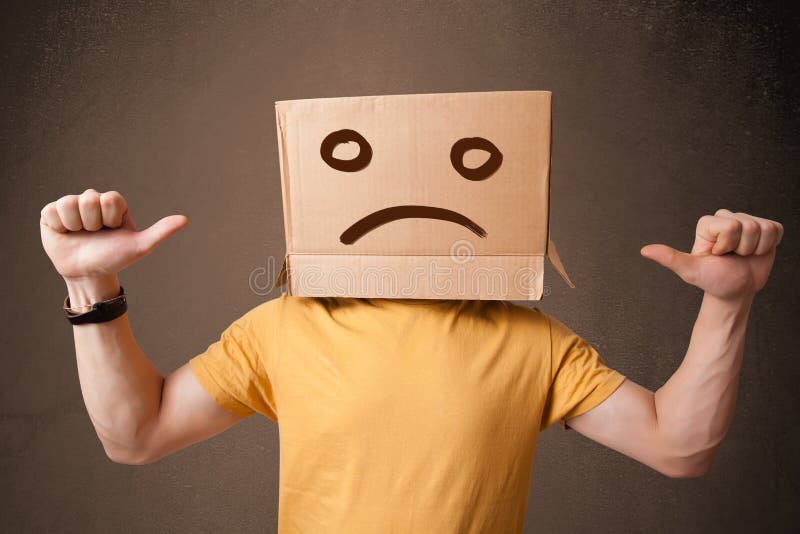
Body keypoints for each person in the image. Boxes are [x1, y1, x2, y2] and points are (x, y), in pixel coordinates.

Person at [39, 188, 783, 533]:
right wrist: (88, 284)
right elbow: (134, 436)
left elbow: (679, 448)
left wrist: (729, 303)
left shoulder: (530, 341)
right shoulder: (282, 328)